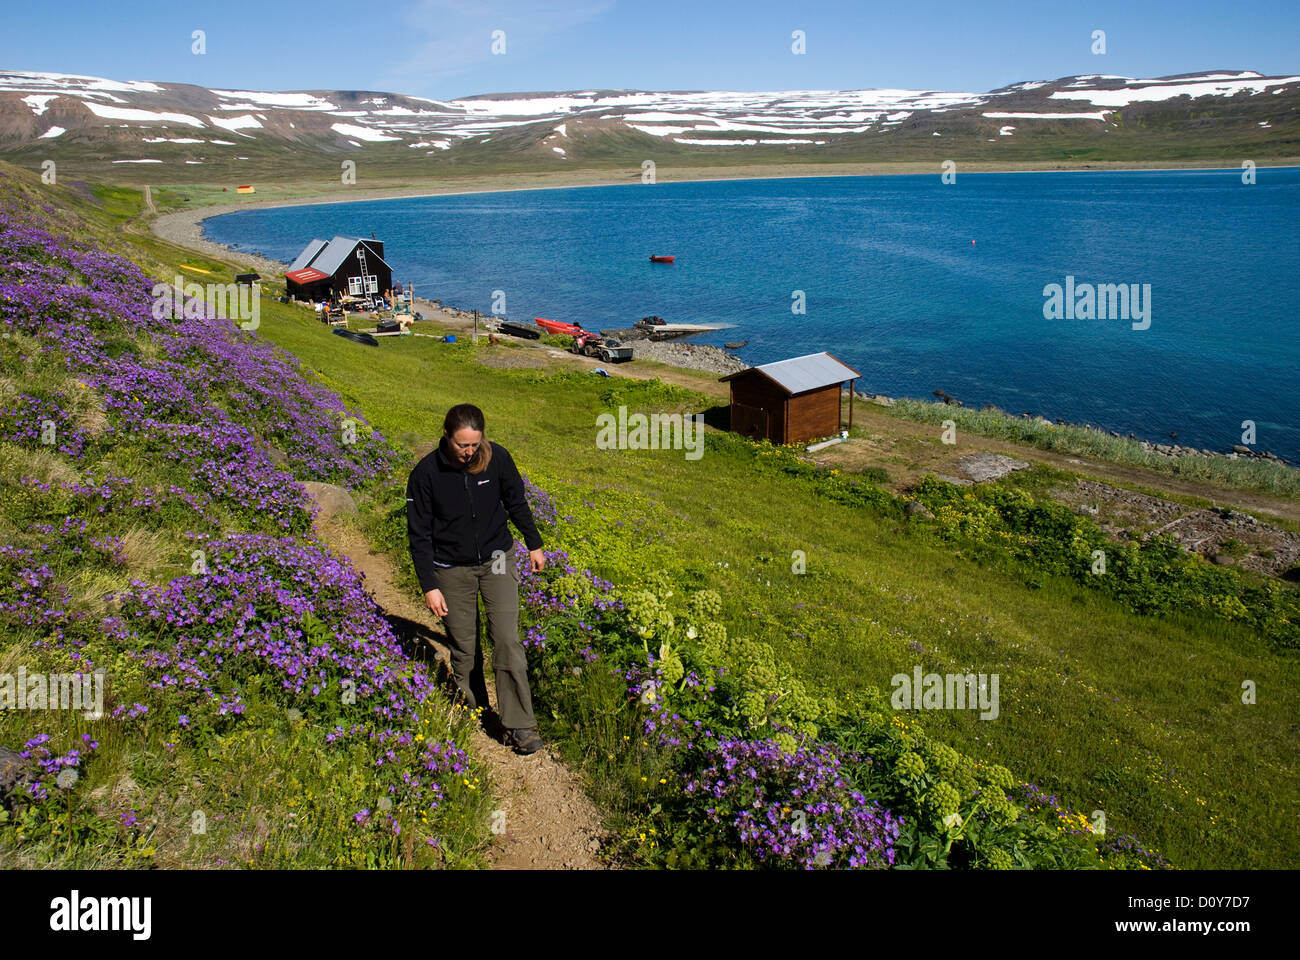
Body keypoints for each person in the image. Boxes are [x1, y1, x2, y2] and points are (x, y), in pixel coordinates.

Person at [405, 403, 547, 754]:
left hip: (497, 558)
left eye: (474, 444)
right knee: (464, 646)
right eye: (462, 445)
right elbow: (418, 534)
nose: (469, 452)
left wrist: (534, 543)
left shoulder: (496, 458)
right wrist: (429, 585)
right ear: (446, 436)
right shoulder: (426, 474)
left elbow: (516, 502)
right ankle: (477, 710)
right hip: (451, 568)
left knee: (507, 639)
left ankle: (520, 725)